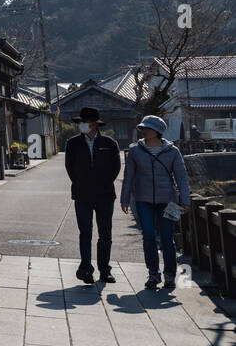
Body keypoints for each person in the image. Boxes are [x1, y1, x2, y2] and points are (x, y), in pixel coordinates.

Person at [121, 114, 191, 290]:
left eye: (147, 128)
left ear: (157, 131)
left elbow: (182, 177)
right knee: (149, 236)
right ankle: (153, 274)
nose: (144, 130)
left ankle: (169, 276)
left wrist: (185, 200)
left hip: (170, 201)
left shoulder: (173, 151)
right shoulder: (135, 151)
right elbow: (128, 176)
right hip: (143, 200)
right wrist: (125, 199)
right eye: (143, 128)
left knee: (168, 239)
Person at [64, 106, 121, 284]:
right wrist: (81, 182)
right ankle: (86, 268)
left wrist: (102, 182)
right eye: (81, 122)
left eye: (86, 122)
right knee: (85, 232)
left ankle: (105, 270)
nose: (82, 125)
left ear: (95, 124)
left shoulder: (109, 144)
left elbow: (116, 168)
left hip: (105, 194)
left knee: (105, 234)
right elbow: (70, 168)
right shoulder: (73, 143)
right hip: (82, 194)